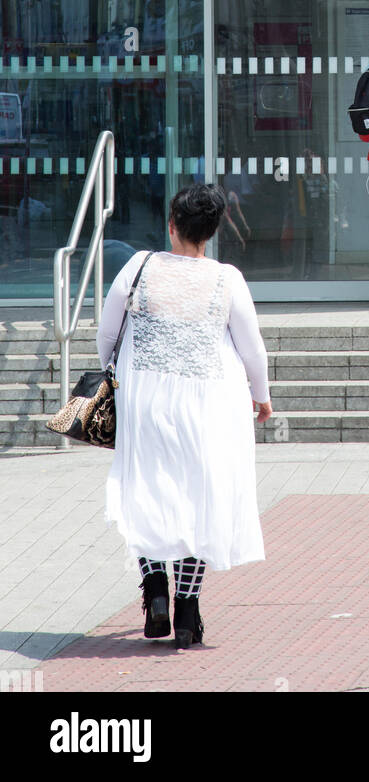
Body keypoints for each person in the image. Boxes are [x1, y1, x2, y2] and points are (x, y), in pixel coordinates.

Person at [97, 183, 273, 648]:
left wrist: (113, 375)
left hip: (145, 397)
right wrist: (262, 395)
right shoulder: (227, 278)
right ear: (211, 233)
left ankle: (155, 591)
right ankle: (188, 611)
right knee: (197, 498)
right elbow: (252, 348)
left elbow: (107, 332)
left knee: (148, 490)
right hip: (209, 404)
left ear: (171, 225)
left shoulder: (140, 266)